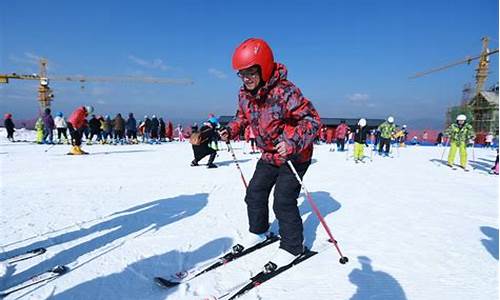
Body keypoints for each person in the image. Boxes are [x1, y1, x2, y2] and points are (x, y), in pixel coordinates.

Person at [219, 38, 321, 270]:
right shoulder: (244, 94)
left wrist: (292, 142)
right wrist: (230, 129)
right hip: (269, 154)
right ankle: (259, 231)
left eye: (251, 72)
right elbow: (242, 117)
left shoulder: (286, 91)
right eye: (242, 74)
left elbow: (312, 120)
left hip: (294, 155)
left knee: (283, 200)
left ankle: (293, 247)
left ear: (263, 68)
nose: (246, 78)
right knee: (254, 193)